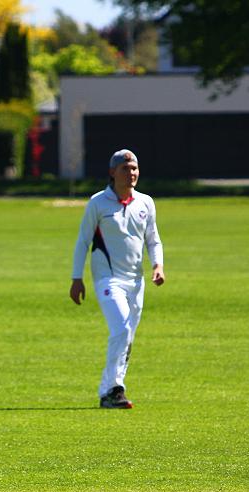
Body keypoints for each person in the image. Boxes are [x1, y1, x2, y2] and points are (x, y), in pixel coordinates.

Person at [69, 149, 165, 409]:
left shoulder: (145, 202)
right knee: (121, 329)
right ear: (113, 173)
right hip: (108, 280)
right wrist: (76, 278)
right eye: (125, 168)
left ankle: (111, 390)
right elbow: (83, 241)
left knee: (128, 337)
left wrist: (158, 265)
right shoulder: (98, 203)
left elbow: (153, 239)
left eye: (134, 168)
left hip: (136, 281)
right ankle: (113, 389)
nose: (131, 173)